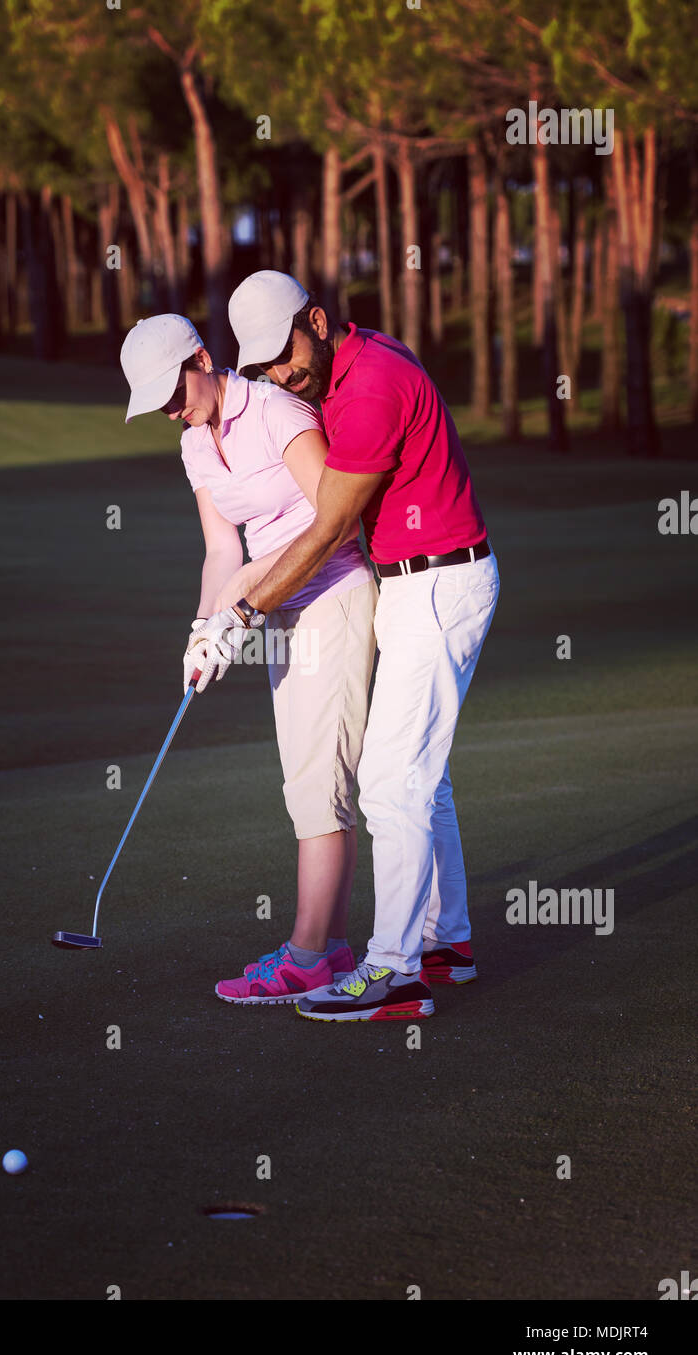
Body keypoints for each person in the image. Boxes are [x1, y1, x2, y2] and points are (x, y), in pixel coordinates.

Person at [190, 271, 500, 1023]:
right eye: (263, 363)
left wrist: (242, 611)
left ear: (317, 321)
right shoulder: (363, 356)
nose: (280, 371)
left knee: (391, 782)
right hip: (408, 583)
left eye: (286, 352)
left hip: (438, 585)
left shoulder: (366, 392)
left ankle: (392, 973)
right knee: (425, 778)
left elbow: (326, 527)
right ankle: (442, 943)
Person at [119, 313, 377, 1005]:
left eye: (172, 390)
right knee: (304, 781)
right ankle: (329, 945)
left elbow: (337, 514)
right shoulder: (195, 446)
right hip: (268, 610)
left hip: (332, 598)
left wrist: (238, 610)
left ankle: (307, 957)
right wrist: (203, 631)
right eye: (156, 404)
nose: (170, 409)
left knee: (319, 783)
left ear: (202, 358)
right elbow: (223, 551)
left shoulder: (274, 409)